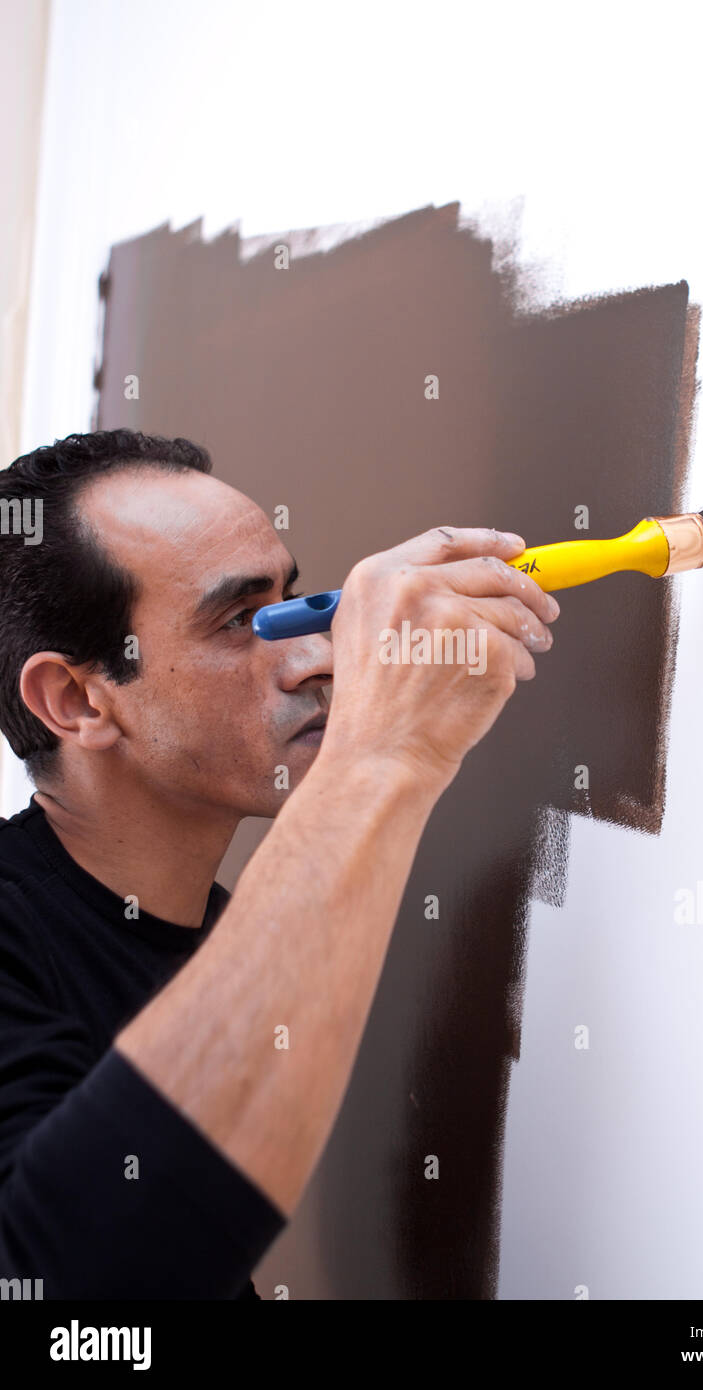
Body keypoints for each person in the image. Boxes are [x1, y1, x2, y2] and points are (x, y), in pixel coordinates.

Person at [0, 429, 558, 1298]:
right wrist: (381, 758)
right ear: (77, 699)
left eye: (295, 606)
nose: (319, 658)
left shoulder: (223, 934)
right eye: (237, 621)